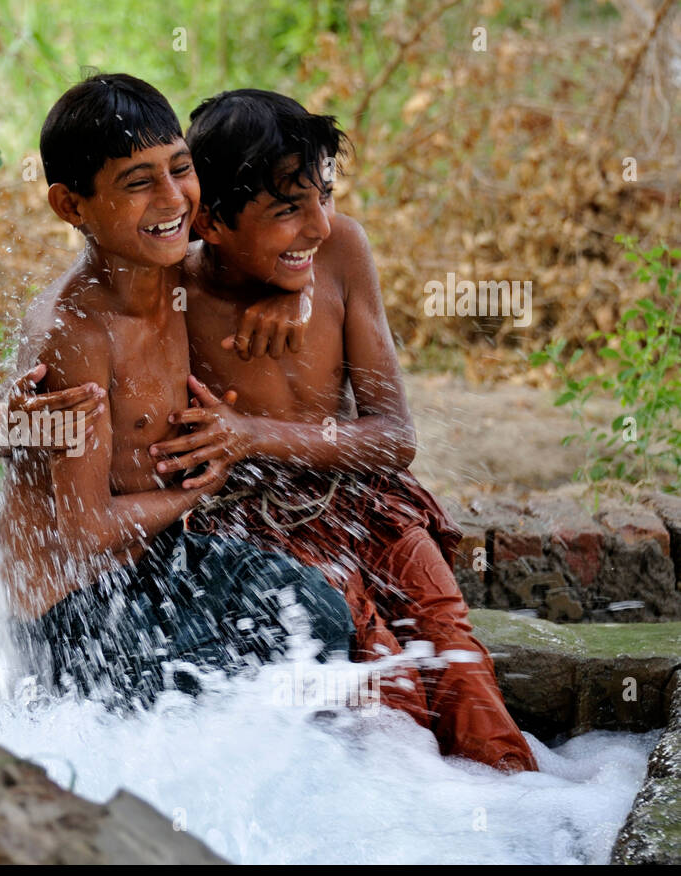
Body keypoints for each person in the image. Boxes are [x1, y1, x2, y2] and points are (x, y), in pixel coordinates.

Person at [145, 89, 536, 772]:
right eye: (289, 209)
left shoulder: (341, 249)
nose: (320, 225)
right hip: (260, 530)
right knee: (390, 697)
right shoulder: (172, 293)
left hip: (368, 508)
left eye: (323, 195)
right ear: (209, 220)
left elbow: (394, 439)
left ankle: (528, 829)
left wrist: (252, 427)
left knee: (461, 667)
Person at [2, 74, 355, 706]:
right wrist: (204, 488)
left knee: (318, 621)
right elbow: (84, 533)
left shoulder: (165, 255)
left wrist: (293, 294)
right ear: (72, 207)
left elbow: (286, 229)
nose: (172, 198)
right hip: (67, 611)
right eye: (138, 182)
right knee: (216, 686)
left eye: (180, 168)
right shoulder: (79, 333)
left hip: (155, 562)